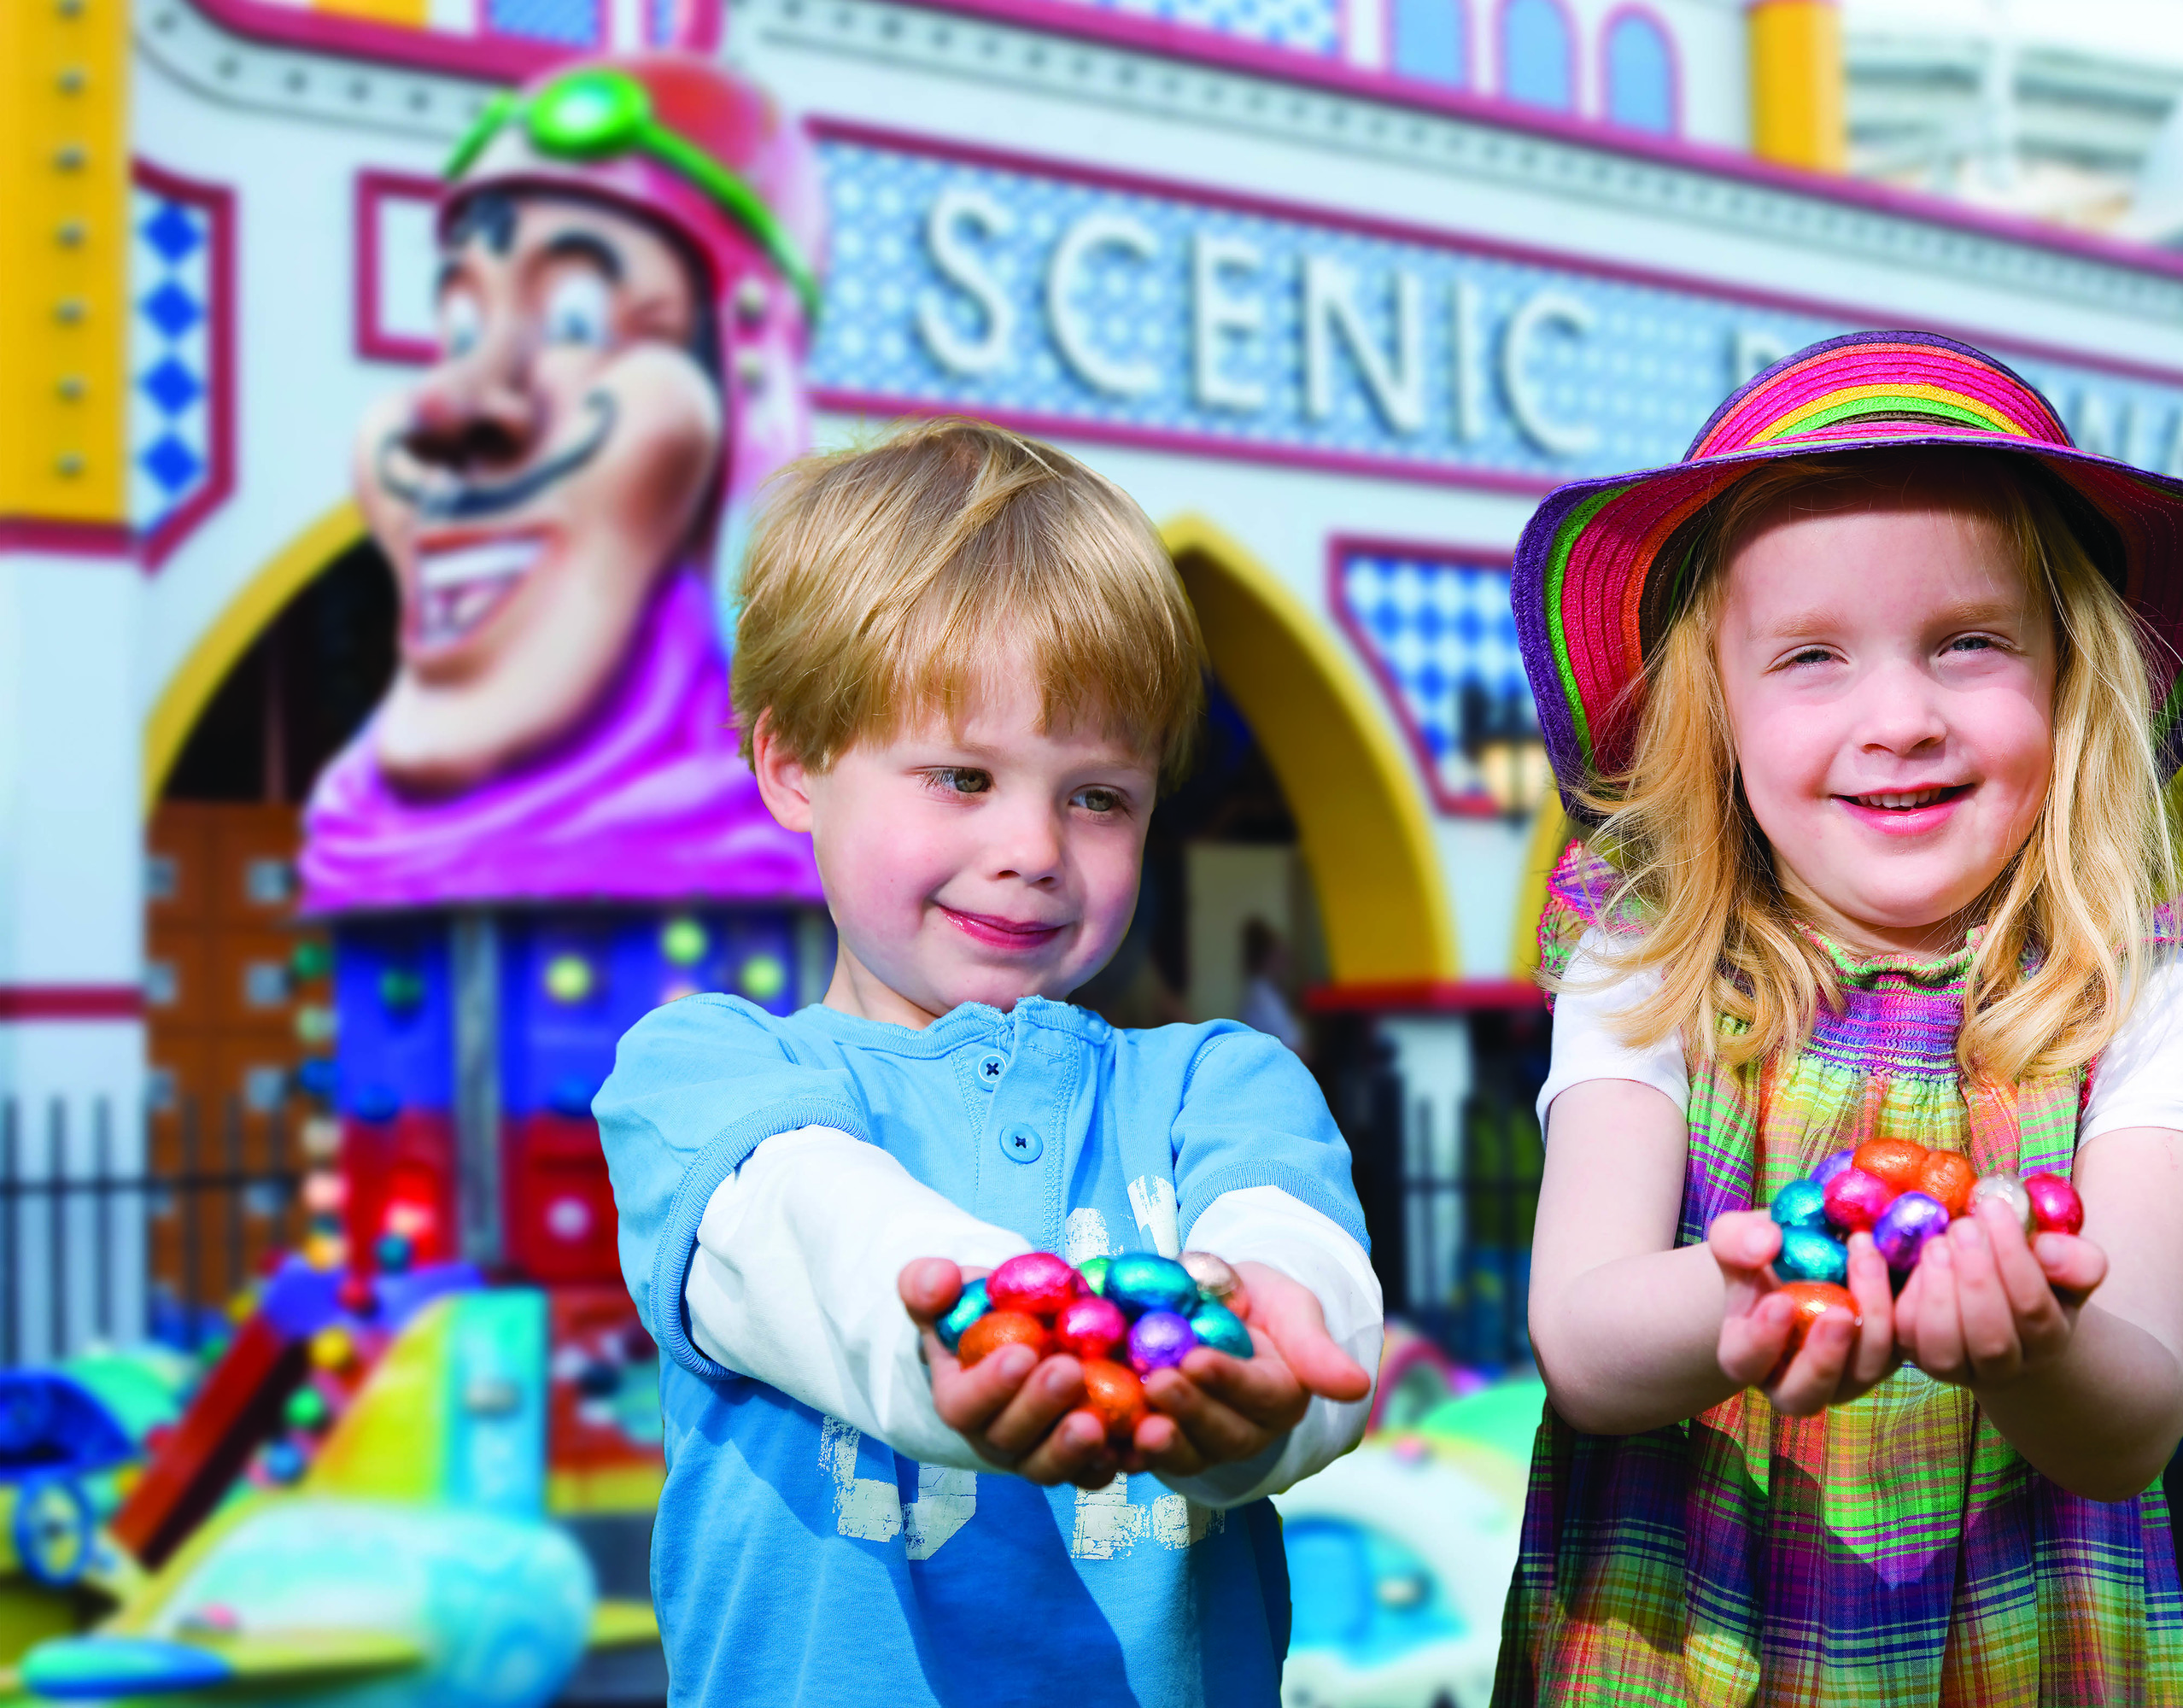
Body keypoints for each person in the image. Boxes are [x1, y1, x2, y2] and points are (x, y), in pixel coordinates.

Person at [1495, 332, 2183, 1704]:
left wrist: (2032, 1346)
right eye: (1812, 657)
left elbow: (2136, 1411)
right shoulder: (1647, 972)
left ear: (2070, 686)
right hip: (1682, 1650)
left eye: (1969, 643)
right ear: (1712, 713)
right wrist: (1761, 1290)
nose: (1898, 717)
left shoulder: (2139, 1005)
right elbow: (1587, 1340)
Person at [595, 420, 1382, 1706]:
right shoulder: (702, 1075)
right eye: (963, 776)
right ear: (792, 765)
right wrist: (981, 1331)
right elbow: (807, 1232)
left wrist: (1263, 1379)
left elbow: (1296, 1272)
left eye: (1099, 796)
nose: (1033, 846)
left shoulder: (1217, 1088)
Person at [302, 55, 824, 910]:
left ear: (747, 381)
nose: (448, 407)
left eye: (577, 322)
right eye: (461, 325)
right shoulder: (364, 837)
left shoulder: (823, 847)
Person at [1237, 916, 1305, 1057]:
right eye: (1280, 955)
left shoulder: (1266, 991)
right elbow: (1293, 1047)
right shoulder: (1263, 998)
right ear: (1267, 958)